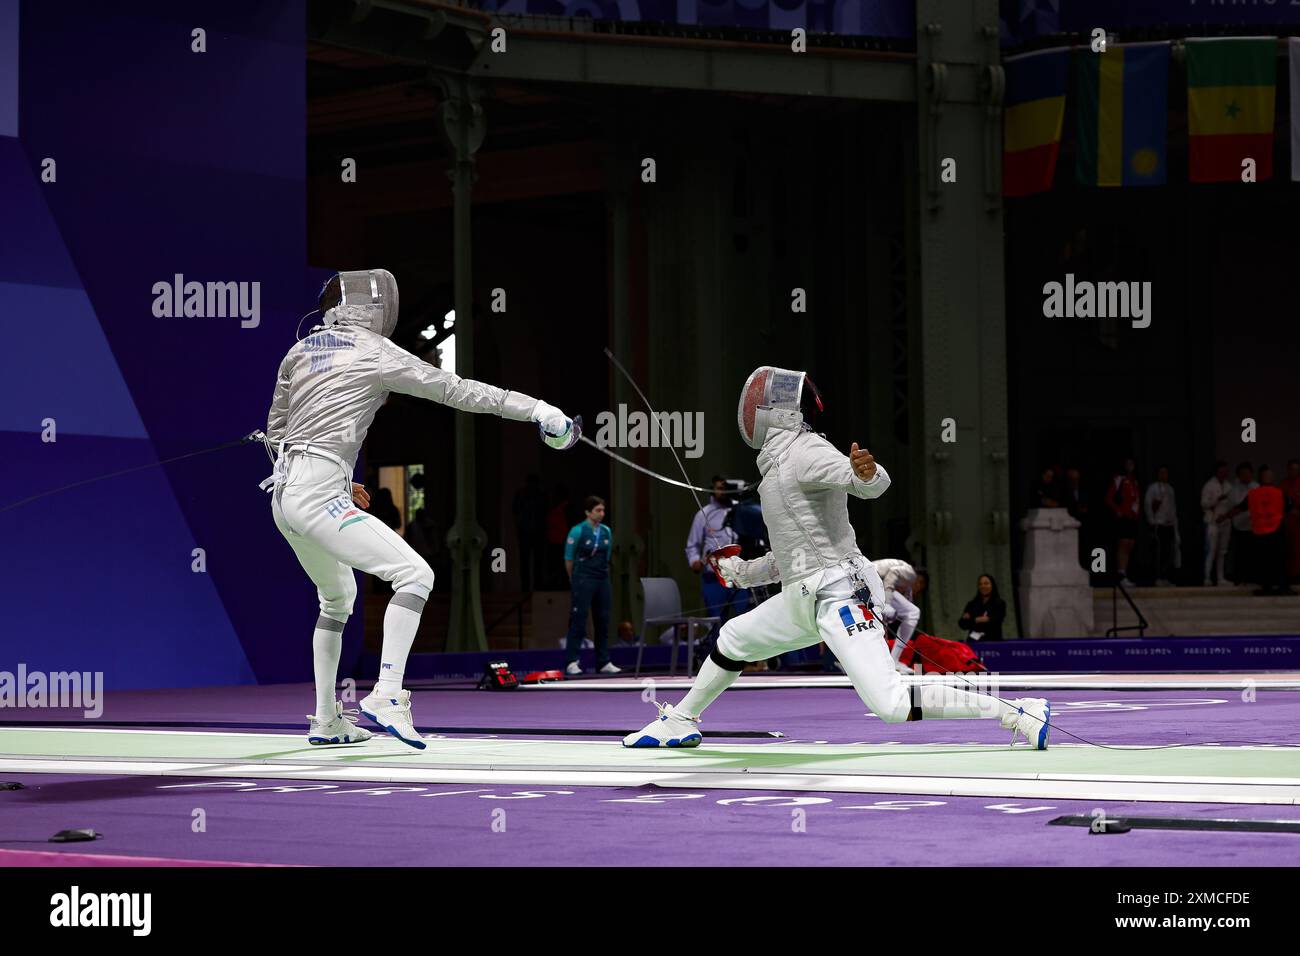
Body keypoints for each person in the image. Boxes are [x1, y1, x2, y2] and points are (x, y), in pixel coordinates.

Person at [623, 366, 1050, 750]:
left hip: (840, 593)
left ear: (778, 411)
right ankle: (680, 720)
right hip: (802, 597)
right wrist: (740, 572)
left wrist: (868, 473)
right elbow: (790, 557)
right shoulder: (775, 469)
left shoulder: (806, 449)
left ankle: (1019, 711)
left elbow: (864, 482)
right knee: (734, 637)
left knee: (891, 703)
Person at [263, 269, 578, 748]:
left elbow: (278, 432)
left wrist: (338, 478)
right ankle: (387, 693)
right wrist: (537, 409)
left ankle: (327, 720)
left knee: (337, 599)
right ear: (372, 307)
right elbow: (456, 389)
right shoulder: (375, 351)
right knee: (415, 575)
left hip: (285, 496)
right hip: (315, 494)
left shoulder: (300, 351)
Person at [684, 476, 751, 648]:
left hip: (738, 575)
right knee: (716, 621)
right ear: (712, 489)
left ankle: (747, 657)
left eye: (725, 487)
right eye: (719, 488)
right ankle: (717, 657)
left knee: (744, 617)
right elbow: (692, 545)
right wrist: (694, 561)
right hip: (713, 576)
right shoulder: (704, 514)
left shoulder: (740, 510)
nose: (722, 491)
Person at [563, 496, 620, 675]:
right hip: (583, 577)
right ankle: (572, 661)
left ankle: (603, 661)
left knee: (603, 619)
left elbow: (607, 555)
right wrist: (574, 579)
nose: (602, 514)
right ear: (588, 512)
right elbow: (569, 558)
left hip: (602, 578)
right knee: (578, 620)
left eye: (603, 510)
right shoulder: (577, 531)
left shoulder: (606, 531)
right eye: (598, 510)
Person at [1246, 467, 1293, 596]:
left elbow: (1240, 507)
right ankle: (1282, 587)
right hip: (1276, 530)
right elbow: (1289, 509)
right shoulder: (1279, 492)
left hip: (1260, 531)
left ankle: (1267, 587)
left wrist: (1225, 516)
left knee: (1264, 560)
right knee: (1279, 559)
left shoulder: (1252, 494)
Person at [872, 557, 922, 674]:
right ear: (920, 581)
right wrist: (887, 603)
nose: (918, 590)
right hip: (870, 580)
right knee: (913, 613)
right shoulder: (911, 574)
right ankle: (893, 660)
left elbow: (906, 604)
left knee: (880, 624)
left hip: (866, 582)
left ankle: (884, 663)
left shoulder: (906, 587)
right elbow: (893, 573)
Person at [1104, 457, 1140, 585]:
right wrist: (1118, 510)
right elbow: (1108, 498)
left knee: (1130, 545)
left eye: (1132, 463)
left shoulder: (1135, 481)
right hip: (1123, 517)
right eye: (1128, 463)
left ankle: (1124, 574)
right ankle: (1120, 575)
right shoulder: (1119, 479)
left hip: (1133, 517)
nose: (1130, 466)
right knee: (1123, 544)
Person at [1144, 466, 1179, 586]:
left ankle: (1165, 577)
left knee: (1168, 552)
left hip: (1169, 524)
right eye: (1162, 473)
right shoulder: (1153, 488)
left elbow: (1173, 508)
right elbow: (1147, 505)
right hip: (1158, 523)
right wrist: (1152, 521)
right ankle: (1157, 577)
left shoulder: (1170, 489)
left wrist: (1175, 525)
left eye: (1166, 473)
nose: (1164, 475)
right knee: (1159, 552)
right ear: (1158, 474)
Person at [1223, 462, 1258, 585]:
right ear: (1238, 475)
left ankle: (1253, 579)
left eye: (1248, 473)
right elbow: (1231, 508)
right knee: (1239, 555)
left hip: (1254, 527)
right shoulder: (1234, 490)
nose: (1246, 476)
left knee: (1253, 555)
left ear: (1251, 474)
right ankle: (1240, 579)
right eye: (1242, 474)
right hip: (1239, 527)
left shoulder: (1257, 487)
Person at [1200, 461, 1233, 586]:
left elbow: (1231, 504)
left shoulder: (1229, 486)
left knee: (1222, 551)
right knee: (1211, 550)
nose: (1224, 473)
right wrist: (1217, 499)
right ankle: (1207, 578)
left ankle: (1220, 578)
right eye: (1222, 471)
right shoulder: (1209, 485)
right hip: (1212, 522)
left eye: (1226, 471)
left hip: (1225, 521)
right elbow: (1203, 504)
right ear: (1217, 472)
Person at [512, 473, 546, 592]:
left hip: (527, 531)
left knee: (526, 561)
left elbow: (516, 513)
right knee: (536, 561)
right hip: (535, 531)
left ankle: (527, 587)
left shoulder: (522, 494)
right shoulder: (540, 495)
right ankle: (535, 586)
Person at [957, 574, 1006, 641]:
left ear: (992, 585)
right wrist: (977, 619)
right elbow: (962, 624)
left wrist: (973, 620)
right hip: (974, 641)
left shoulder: (999, 603)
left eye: (986, 583)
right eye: (980, 584)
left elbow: (995, 621)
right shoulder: (972, 604)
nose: (983, 586)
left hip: (993, 641)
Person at [1281, 460, 1300, 584]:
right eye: (1292, 469)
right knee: (1288, 549)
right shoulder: (1283, 484)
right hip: (1287, 522)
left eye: (1296, 469)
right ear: (1288, 470)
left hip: (1299, 522)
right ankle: (1289, 576)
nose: (1294, 471)